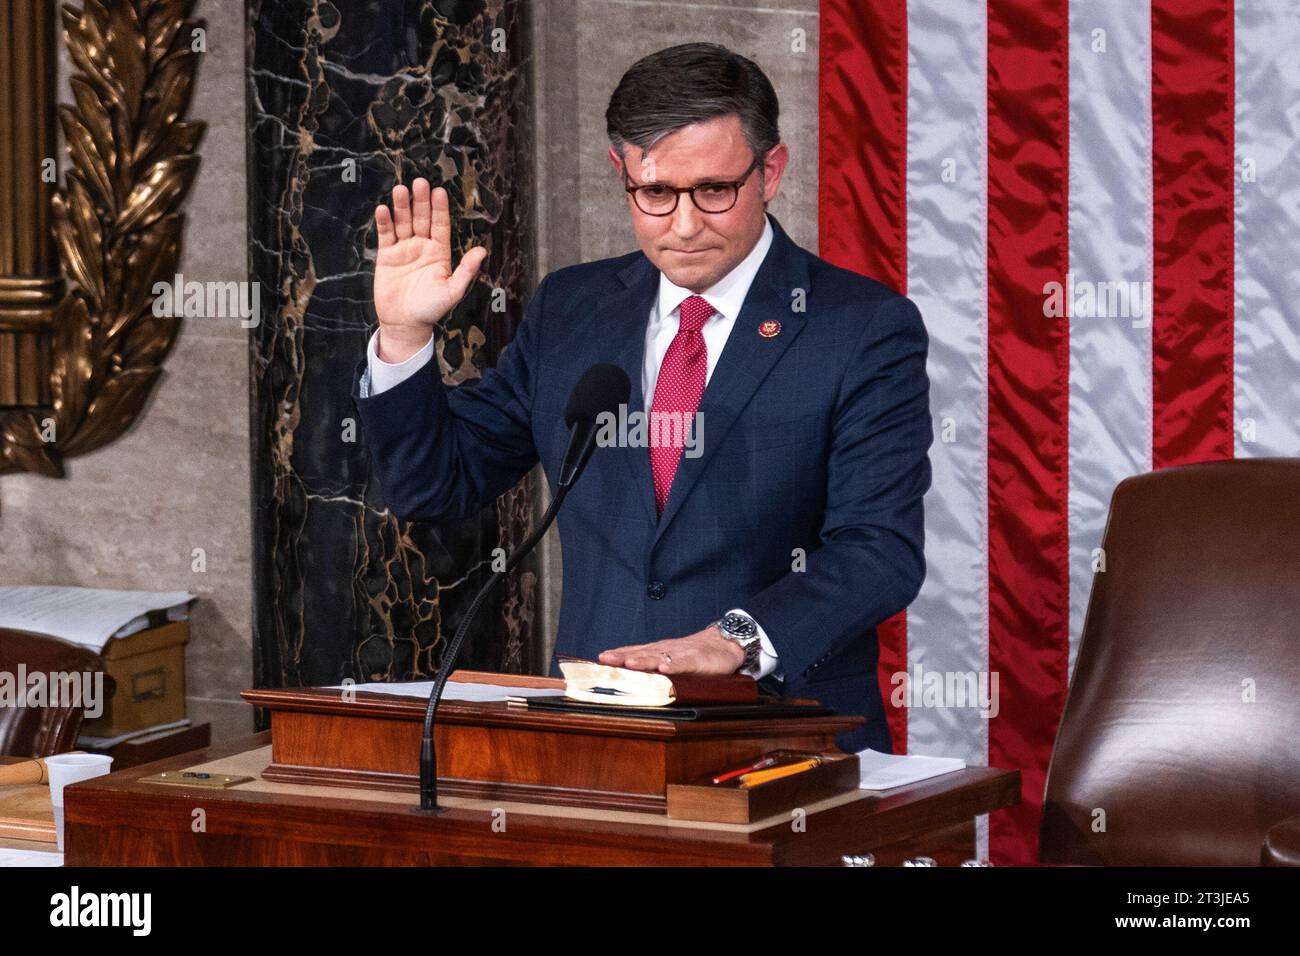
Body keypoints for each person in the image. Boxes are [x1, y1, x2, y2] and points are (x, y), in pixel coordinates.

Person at [351, 42, 932, 754]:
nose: (685, 225)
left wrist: (733, 640)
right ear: (621, 173)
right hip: (599, 739)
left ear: (770, 172)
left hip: (784, 736)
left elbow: (879, 551)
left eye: (714, 190)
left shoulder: (861, 327)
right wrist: (404, 337)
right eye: (655, 193)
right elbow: (435, 486)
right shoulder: (573, 309)